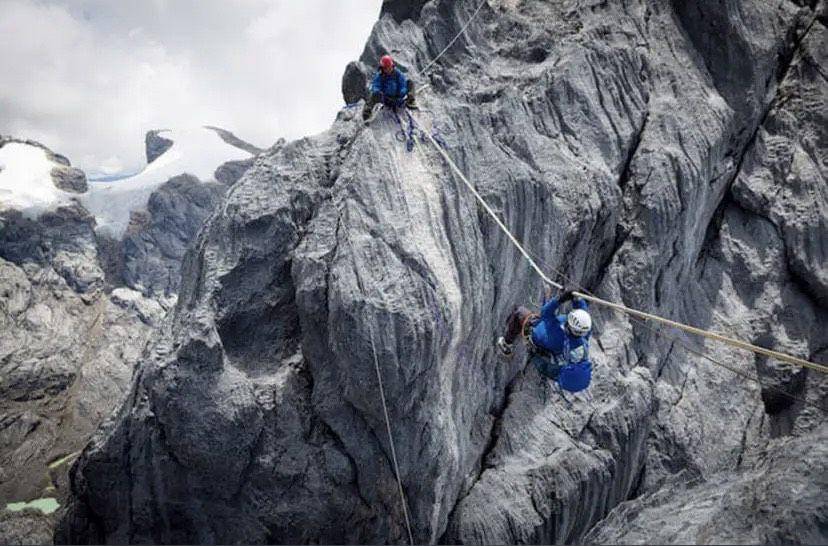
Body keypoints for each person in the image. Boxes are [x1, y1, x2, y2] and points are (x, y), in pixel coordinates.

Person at [497, 286, 594, 392]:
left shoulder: (557, 334)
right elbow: (582, 311)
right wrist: (577, 299)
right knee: (545, 314)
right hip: (553, 345)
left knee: (519, 313)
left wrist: (560, 299)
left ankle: (506, 345)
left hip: (537, 334)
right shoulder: (584, 333)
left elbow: (545, 313)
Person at [362, 54, 417, 121]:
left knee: (410, 82)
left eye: (389, 67)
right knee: (373, 94)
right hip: (386, 100)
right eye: (386, 68)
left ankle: (410, 101)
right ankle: (367, 112)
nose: (388, 69)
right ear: (382, 68)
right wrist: (378, 92)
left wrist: (402, 92)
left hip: (398, 98)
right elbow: (375, 86)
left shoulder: (398, 74)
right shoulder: (380, 76)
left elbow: (403, 84)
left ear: (392, 66)